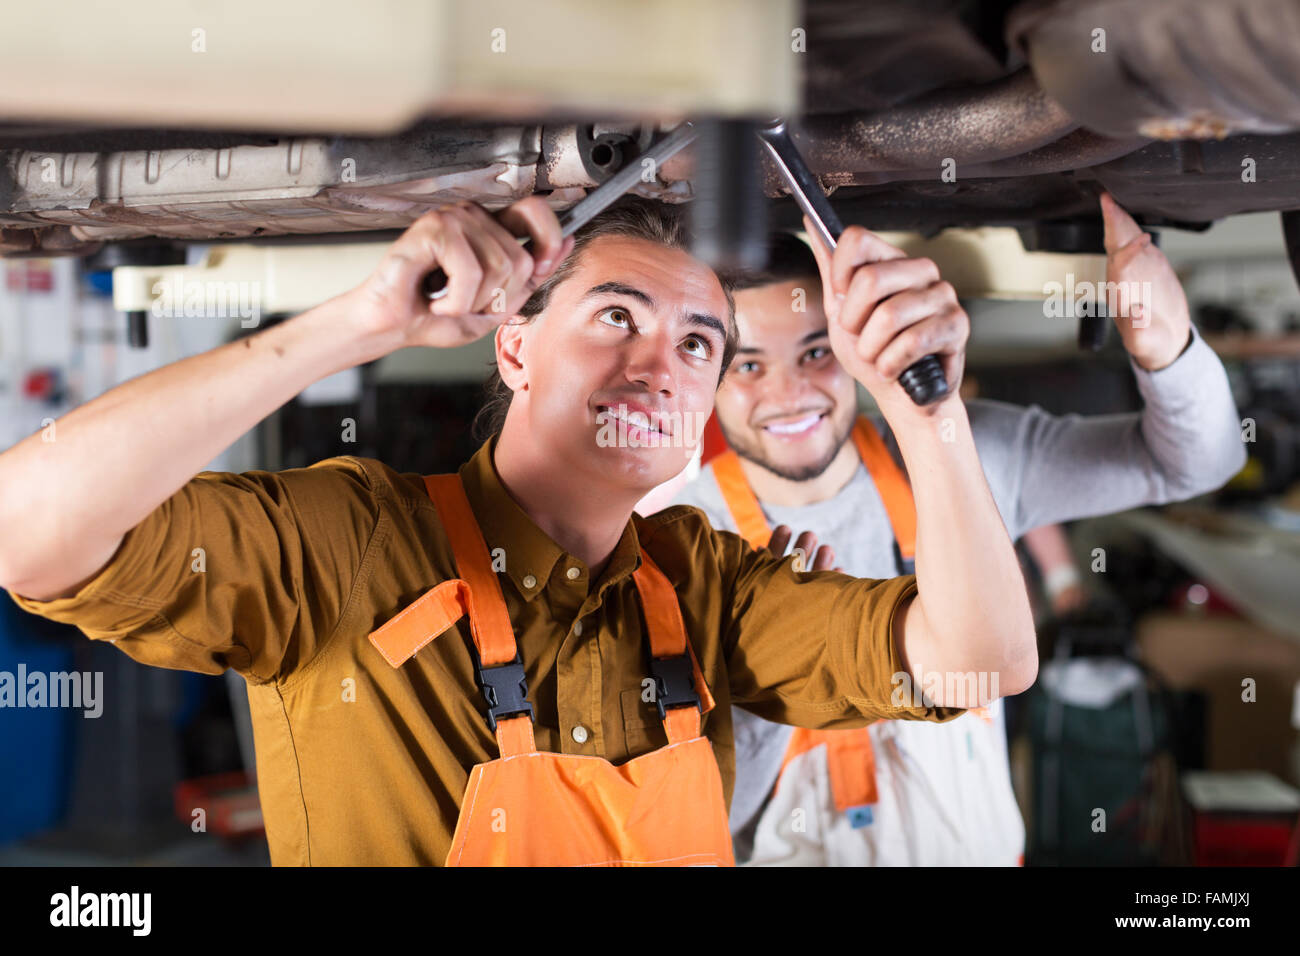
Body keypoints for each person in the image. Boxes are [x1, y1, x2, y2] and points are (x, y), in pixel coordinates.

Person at [0, 196, 1036, 866]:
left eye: (697, 344)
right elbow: (25, 528)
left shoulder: (705, 583)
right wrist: (360, 321)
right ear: (514, 350)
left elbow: (979, 661)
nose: (658, 365)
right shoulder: (355, 544)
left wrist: (922, 407)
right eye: (616, 317)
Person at [672, 194, 1245, 866]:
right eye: (745, 365)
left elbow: (1199, 462)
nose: (788, 392)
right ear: (706, 376)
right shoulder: (679, 543)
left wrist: (1165, 345)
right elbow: (699, 822)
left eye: (817, 350)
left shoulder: (959, 456)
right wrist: (768, 680)